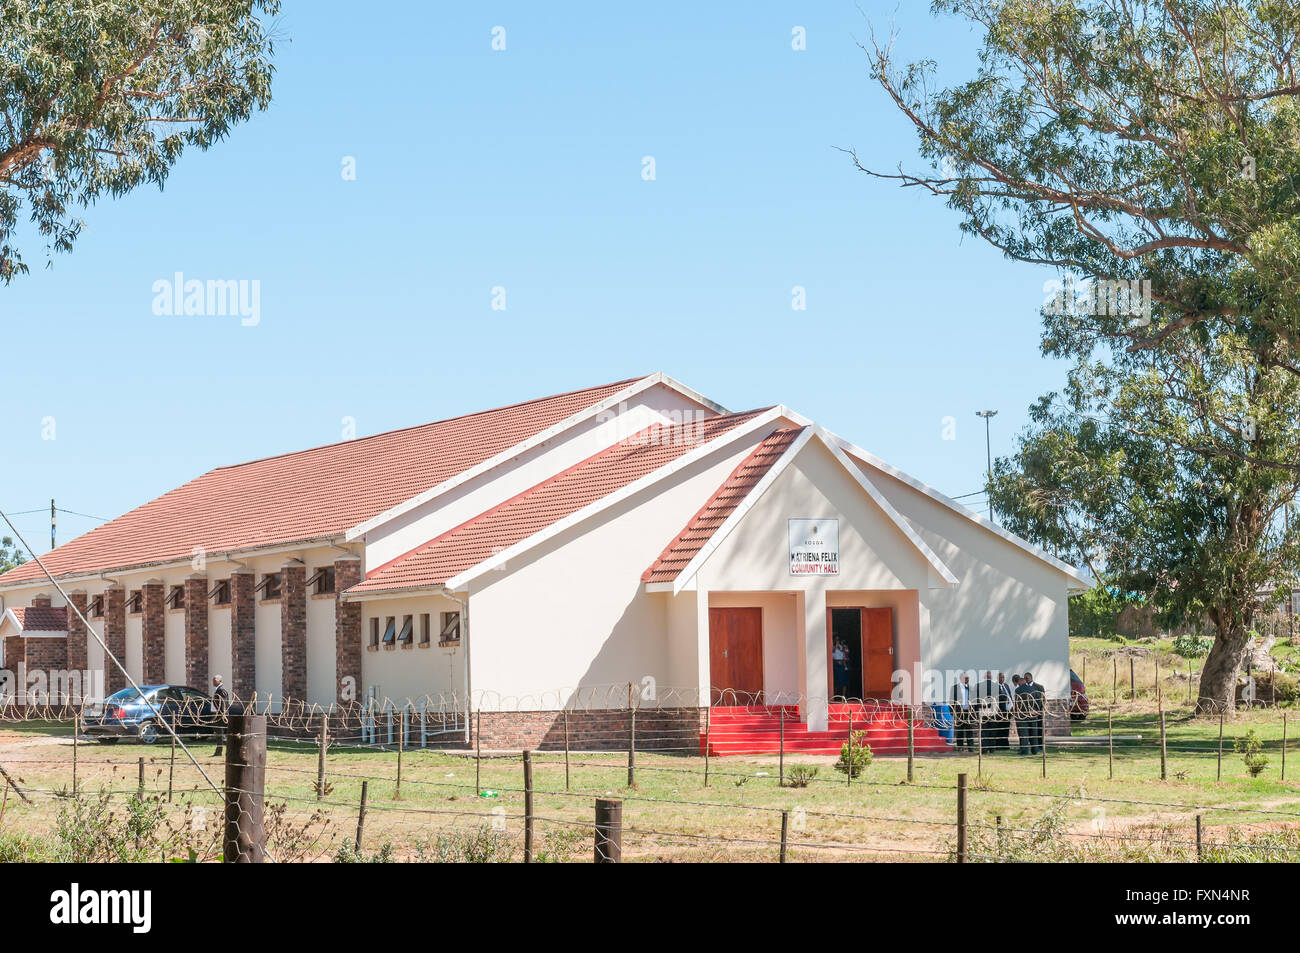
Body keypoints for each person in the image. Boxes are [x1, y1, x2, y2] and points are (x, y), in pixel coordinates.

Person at [1016, 671, 1045, 755]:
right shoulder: (1034, 690)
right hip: (1033, 714)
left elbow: (1017, 702)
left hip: (1023, 714)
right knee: (1034, 733)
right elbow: (1039, 702)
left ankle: (1024, 750)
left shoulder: (1018, 690)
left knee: (1024, 733)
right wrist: (1036, 710)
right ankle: (1035, 750)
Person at [951, 675, 974, 751]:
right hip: (959, 712)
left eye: (968, 678)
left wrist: (975, 713)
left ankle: (970, 747)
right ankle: (960, 747)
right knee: (960, 730)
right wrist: (952, 712)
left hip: (969, 711)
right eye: (965, 678)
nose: (967, 679)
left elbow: (974, 700)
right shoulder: (954, 688)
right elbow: (951, 700)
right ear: (961, 679)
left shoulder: (970, 688)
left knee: (969, 730)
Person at [211, 674, 230, 757]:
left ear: (220, 681)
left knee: (220, 734)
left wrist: (223, 713)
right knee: (219, 733)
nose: (213, 682)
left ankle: (219, 752)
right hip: (217, 714)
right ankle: (220, 751)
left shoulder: (221, 690)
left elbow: (224, 703)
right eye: (213, 680)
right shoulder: (217, 690)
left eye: (215, 680)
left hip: (220, 715)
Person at [995, 672, 1015, 750]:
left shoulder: (1006, 686)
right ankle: (998, 746)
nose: (1002, 679)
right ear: (997, 678)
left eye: (1003, 677)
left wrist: (1012, 706)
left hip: (1008, 712)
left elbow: (1009, 696)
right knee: (999, 729)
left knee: (1006, 729)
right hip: (999, 712)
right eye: (1001, 677)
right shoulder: (995, 687)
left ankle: (1005, 745)